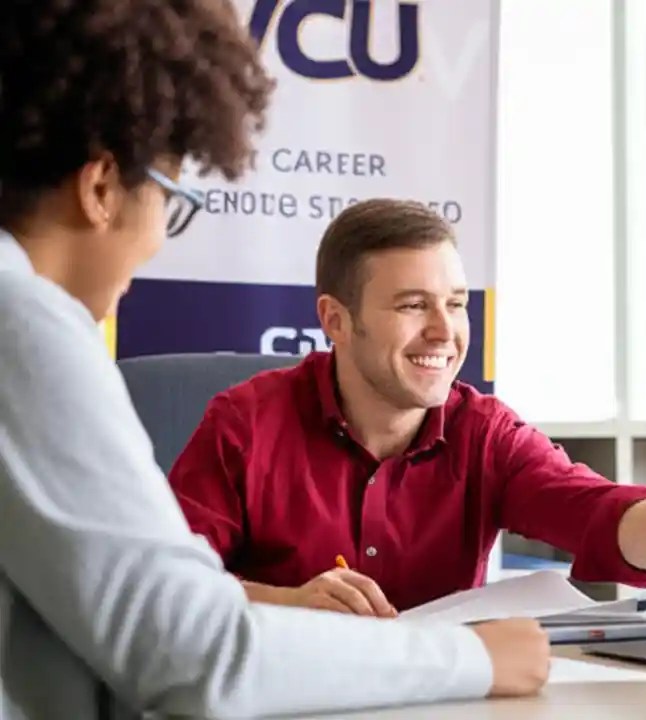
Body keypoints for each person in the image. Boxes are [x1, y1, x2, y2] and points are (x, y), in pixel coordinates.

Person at [0, 3, 551, 717]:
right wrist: (475, 658)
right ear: (102, 188)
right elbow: (190, 650)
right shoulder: (26, 327)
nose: (157, 240)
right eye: (171, 200)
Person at [167, 198, 646, 617]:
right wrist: (290, 604)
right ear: (335, 320)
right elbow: (164, 586)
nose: (445, 332)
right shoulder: (245, 423)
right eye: (413, 305)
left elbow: (589, 508)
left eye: (457, 303)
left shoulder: (483, 430)